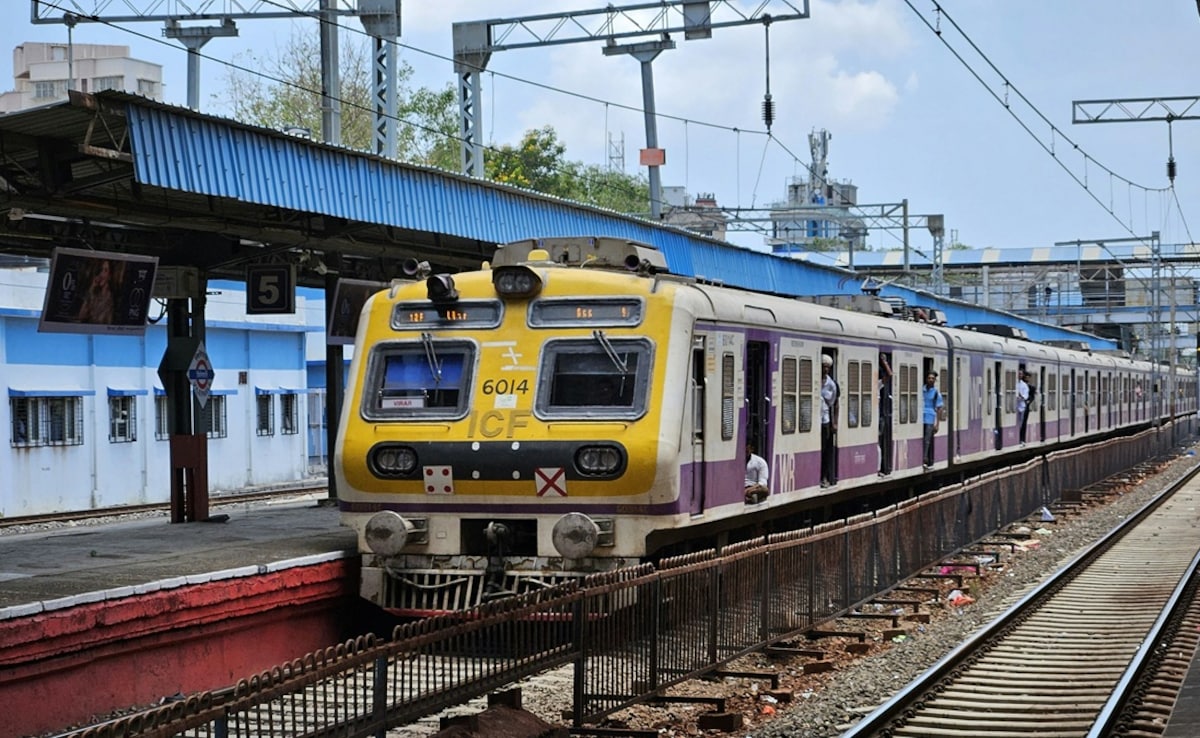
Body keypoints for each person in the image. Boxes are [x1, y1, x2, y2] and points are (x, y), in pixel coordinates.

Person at [76, 259, 117, 325]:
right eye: (101, 270)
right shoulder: (94, 293)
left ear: (110, 276)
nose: (101, 274)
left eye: (105, 270)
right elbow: (81, 316)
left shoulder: (111, 299)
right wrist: (91, 289)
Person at [820, 353, 838, 487]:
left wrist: (834, 422)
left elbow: (833, 403)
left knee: (825, 449)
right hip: (809, 419)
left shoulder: (831, 385)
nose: (825, 369)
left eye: (827, 367)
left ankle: (823, 476)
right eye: (823, 366)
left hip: (824, 420)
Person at [922, 370, 944, 469]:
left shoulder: (936, 393)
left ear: (935, 380)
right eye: (929, 378)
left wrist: (937, 424)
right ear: (926, 379)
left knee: (927, 439)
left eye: (932, 379)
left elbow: (939, 408)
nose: (931, 380)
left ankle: (925, 458)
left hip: (930, 418)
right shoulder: (921, 390)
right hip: (921, 417)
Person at [878, 353, 894, 476]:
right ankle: (879, 468)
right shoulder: (875, 385)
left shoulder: (877, 385)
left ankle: (880, 468)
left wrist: (884, 362)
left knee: (879, 441)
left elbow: (889, 374)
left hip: (879, 415)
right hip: (876, 416)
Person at [1016, 369, 1030, 445]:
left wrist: (1020, 396)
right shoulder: (1014, 384)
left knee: (1021, 424)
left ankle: (1021, 439)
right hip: (1015, 407)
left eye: (1021, 374)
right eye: (1018, 374)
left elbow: (1025, 396)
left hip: (1021, 407)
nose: (1019, 375)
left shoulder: (1024, 385)